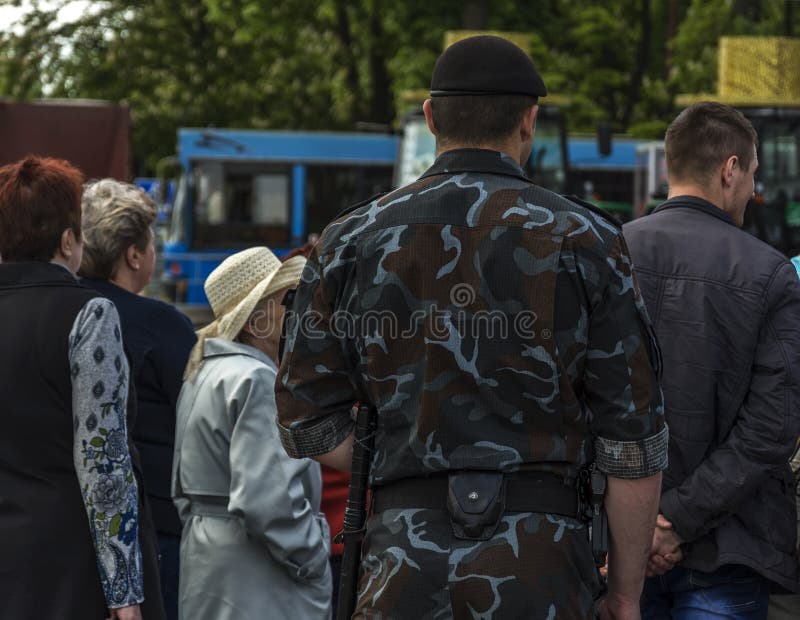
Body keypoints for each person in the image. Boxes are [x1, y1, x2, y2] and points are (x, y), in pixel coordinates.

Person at [276, 35, 667, 619]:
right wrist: (627, 596)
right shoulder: (588, 241)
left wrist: (401, 455)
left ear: (431, 117)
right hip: (542, 566)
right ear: (529, 121)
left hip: (399, 564)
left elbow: (304, 423)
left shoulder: (350, 241)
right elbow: (632, 444)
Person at [622, 101, 800, 618]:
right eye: (752, 175)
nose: (752, 191)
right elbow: (771, 429)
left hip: (612, 545)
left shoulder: (608, 254)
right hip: (729, 550)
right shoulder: (770, 273)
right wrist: (672, 522)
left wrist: (637, 526)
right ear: (731, 169)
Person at [0, 156, 144, 619]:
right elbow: (104, 462)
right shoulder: (89, 314)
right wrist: (125, 594)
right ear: (67, 241)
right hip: (63, 566)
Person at [171, 247, 332, 620]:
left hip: (209, 561)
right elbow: (270, 502)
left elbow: (182, 490)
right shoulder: (256, 379)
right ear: (255, 318)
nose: (297, 311)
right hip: (259, 576)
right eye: (286, 300)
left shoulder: (205, 371)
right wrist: (313, 557)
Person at [79, 179, 197, 620]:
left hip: (78, 527)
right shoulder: (164, 326)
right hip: (157, 529)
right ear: (133, 254)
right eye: (152, 244)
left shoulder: (64, 312)